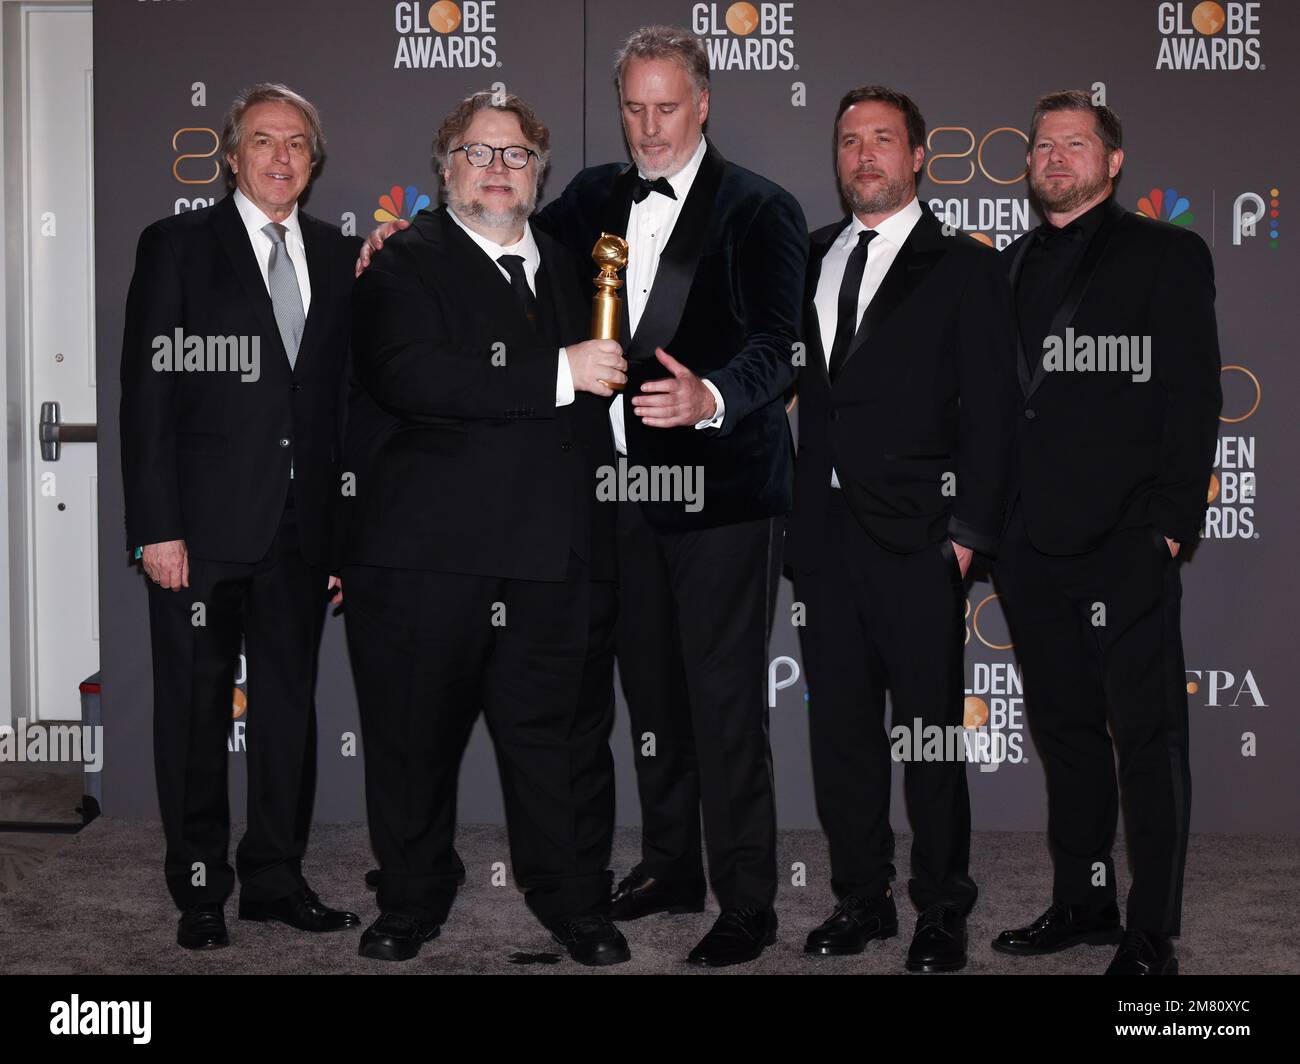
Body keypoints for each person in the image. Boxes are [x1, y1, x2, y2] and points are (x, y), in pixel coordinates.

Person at [359, 26, 808, 968]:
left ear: (704, 104)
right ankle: (669, 866)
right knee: (643, 706)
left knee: (723, 707)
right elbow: (492, 249)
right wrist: (401, 239)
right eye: (634, 109)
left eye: (667, 108)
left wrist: (712, 395)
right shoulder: (588, 200)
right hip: (612, 505)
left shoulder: (762, 208)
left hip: (720, 495)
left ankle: (748, 900)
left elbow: (780, 341)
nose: (649, 128)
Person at [342, 90, 629, 965]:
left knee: (564, 743)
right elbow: (413, 376)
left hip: (555, 555)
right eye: (479, 152)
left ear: (539, 173)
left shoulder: (583, 267)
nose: (497, 168)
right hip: (431, 560)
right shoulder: (402, 263)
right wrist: (557, 372)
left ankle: (574, 899)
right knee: (413, 736)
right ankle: (413, 894)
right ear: (446, 168)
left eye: (515, 155)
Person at [120, 83, 360, 950]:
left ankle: (273, 879)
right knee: (193, 712)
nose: (281, 156)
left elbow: (339, 404)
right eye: (264, 140)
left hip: (302, 532)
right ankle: (198, 890)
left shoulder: (338, 258)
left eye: (297, 142)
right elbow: (146, 396)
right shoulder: (178, 245)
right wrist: (155, 527)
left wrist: (340, 532)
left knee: (290, 712)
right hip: (200, 531)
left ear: (313, 158)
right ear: (231, 155)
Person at [785, 86, 1018, 973]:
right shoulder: (805, 257)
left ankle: (940, 909)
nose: (865, 155)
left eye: (883, 139)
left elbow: (995, 413)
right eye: (850, 141)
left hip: (922, 536)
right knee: (841, 733)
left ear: (919, 156)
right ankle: (861, 900)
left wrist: (967, 534)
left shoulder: (965, 266)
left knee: (927, 737)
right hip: (822, 534)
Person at [991, 90, 1221, 976]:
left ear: (1112, 161)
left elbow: (1194, 392)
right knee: (1069, 736)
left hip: (1127, 539)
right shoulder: (1004, 267)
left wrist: (1168, 526)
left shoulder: (1167, 253)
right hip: (1030, 548)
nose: (1055, 157)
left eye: (1075, 144)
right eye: (1044, 145)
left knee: (1148, 739)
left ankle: (1150, 929)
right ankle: (1083, 902)